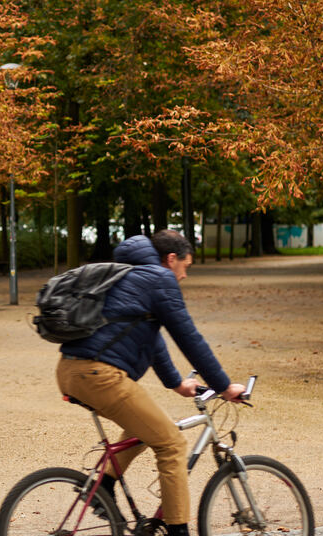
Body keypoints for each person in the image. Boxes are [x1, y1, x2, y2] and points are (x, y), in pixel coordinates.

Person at [57, 229, 245, 536]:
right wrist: (224, 386)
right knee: (171, 443)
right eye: (186, 266)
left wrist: (176, 383)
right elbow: (190, 339)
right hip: (100, 374)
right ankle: (178, 531)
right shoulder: (159, 279)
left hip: (70, 371)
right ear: (172, 259)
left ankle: (101, 487)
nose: (184, 275)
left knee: (144, 427)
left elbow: (149, 334)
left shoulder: (126, 276)